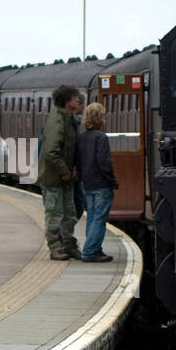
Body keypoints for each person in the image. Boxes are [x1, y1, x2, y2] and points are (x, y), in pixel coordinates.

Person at [38, 84, 83, 260]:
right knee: (54, 214)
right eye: (74, 97)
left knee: (69, 214)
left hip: (66, 178)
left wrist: (73, 169)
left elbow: (70, 149)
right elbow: (51, 151)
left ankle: (68, 244)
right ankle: (55, 247)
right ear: (66, 100)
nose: (78, 100)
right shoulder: (57, 121)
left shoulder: (69, 120)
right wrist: (64, 170)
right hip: (53, 178)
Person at [76, 102, 117, 262]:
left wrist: (82, 178)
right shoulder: (101, 137)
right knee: (99, 218)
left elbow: (78, 162)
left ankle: (95, 248)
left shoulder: (82, 137)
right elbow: (104, 162)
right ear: (101, 118)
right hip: (101, 184)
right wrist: (112, 181)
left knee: (92, 217)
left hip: (87, 183)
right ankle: (89, 251)